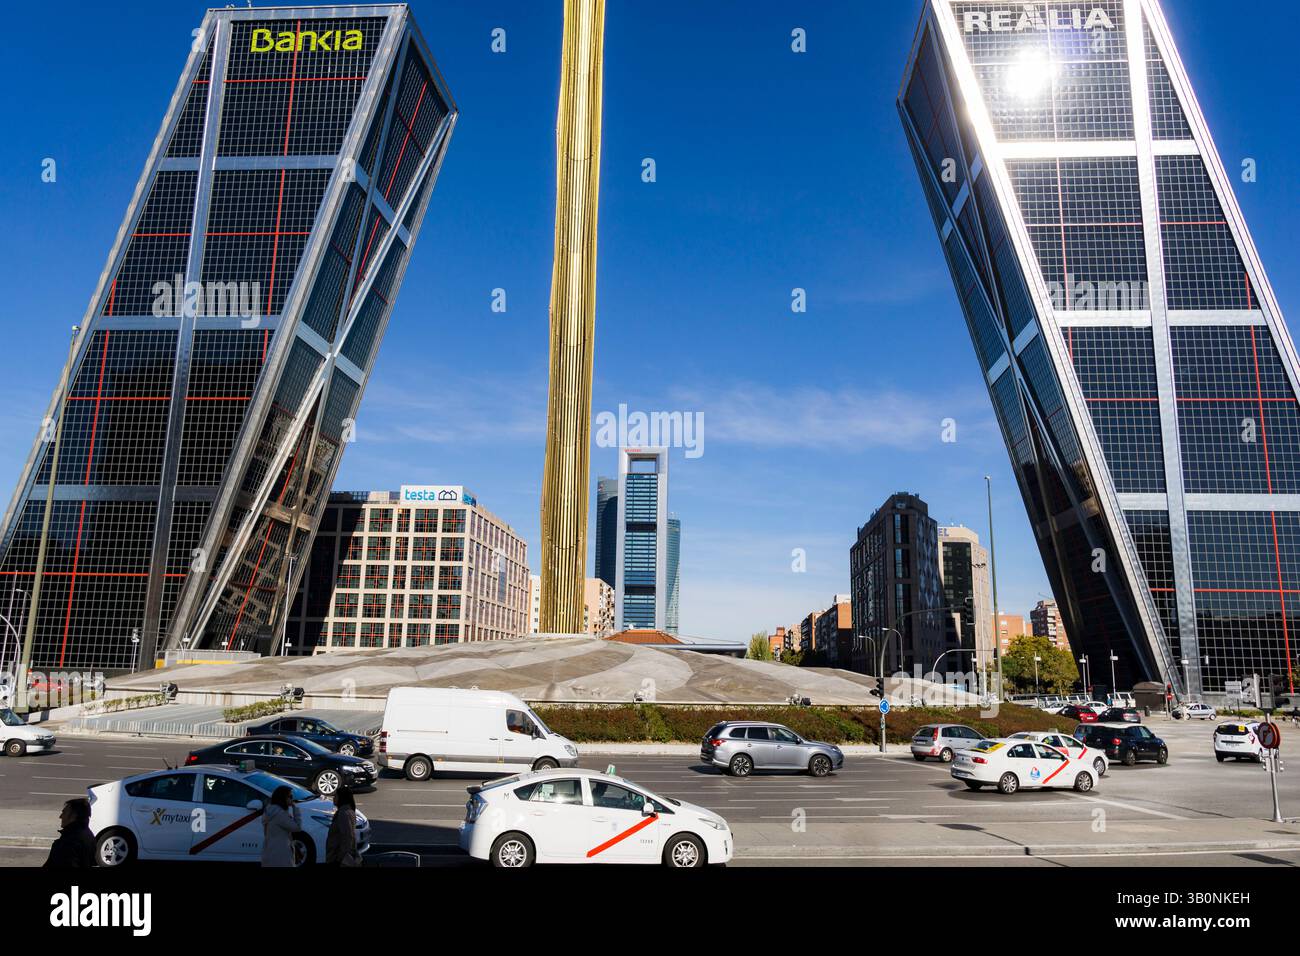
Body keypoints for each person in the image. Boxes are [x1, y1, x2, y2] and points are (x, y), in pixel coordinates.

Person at [44, 798, 95, 868]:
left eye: (64, 812)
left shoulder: (70, 842)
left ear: (74, 815)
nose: (60, 816)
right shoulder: (88, 835)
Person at [260, 785, 302, 867]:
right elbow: (297, 827)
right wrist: (296, 810)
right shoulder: (280, 814)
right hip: (281, 853)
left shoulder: (270, 810)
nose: (292, 799)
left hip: (270, 850)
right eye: (290, 796)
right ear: (283, 798)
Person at [325, 789, 362, 867]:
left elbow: (347, 836)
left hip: (337, 857)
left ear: (341, 798)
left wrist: (341, 857)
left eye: (335, 796)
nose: (333, 798)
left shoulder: (344, 813)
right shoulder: (346, 811)